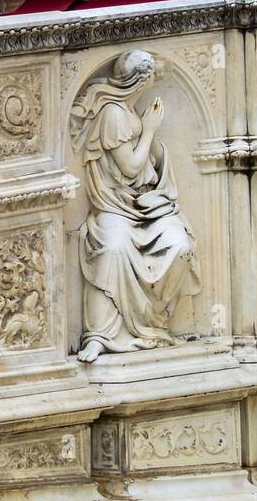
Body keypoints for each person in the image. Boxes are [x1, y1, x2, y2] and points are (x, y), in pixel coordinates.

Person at [70, 51, 200, 362]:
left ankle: (153, 322)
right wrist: (151, 128)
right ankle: (100, 336)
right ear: (138, 80)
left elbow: (148, 164)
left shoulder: (130, 111)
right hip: (114, 210)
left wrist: (149, 133)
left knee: (180, 245)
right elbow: (129, 167)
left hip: (147, 208)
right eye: (150, 74)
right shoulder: (113, 115)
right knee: (114, 248)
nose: (155, 78)